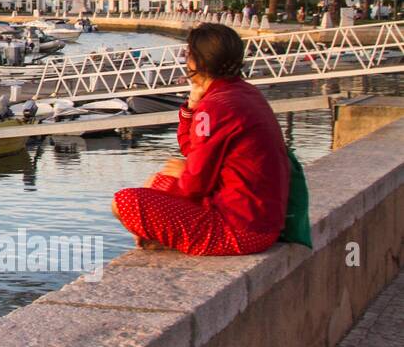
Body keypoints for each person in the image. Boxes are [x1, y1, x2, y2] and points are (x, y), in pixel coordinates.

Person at [111, 23, 289, 255]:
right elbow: (192, 148)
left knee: (123, 201)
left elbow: (194, 185)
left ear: (196, 62)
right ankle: (156, 237)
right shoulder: (245, 92)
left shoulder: (215, 106)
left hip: (240, 230)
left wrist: (185, 172)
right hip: (262, 221)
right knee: (158, 180)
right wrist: (191, 108)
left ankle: (161, 240)